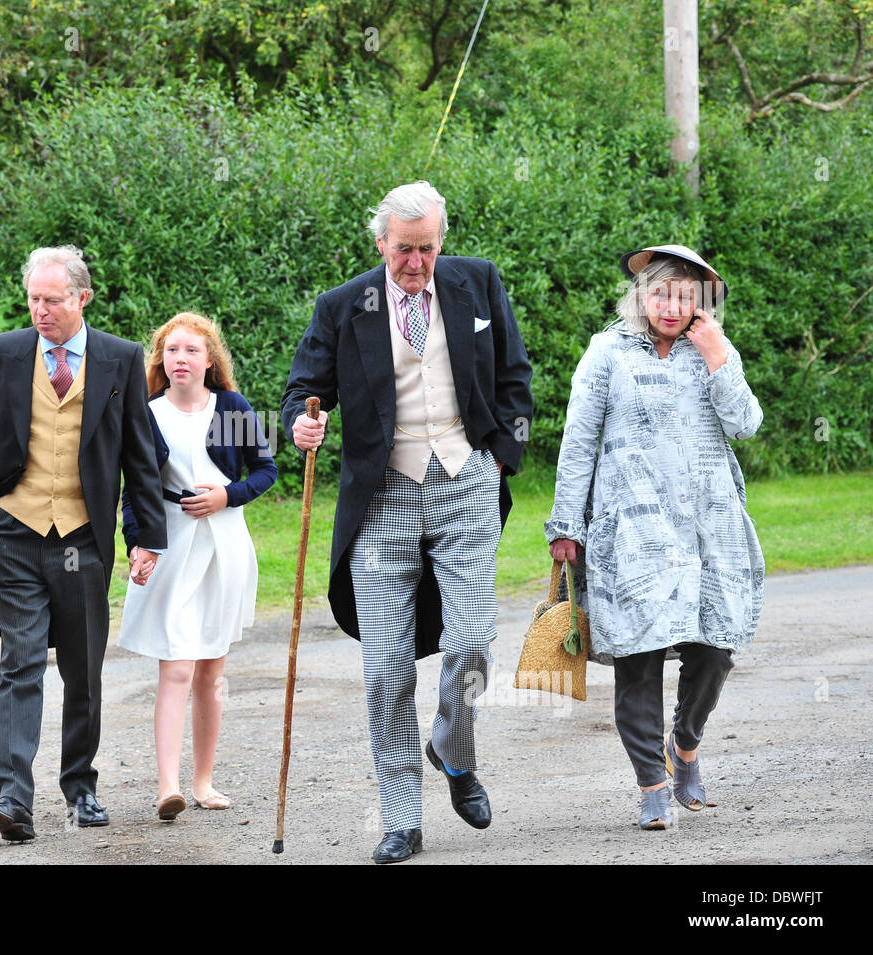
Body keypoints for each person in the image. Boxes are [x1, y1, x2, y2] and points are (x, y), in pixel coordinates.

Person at [281, 181, 534, 864]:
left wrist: (503, 458)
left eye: (426, 249)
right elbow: (300, 390)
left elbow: (514, 374)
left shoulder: (478, 283)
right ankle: (400, 819)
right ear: (380, 242)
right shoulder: (342, 307)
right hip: (381, 498)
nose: (416, 263)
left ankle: (454, 748)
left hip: (466, 482)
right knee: (386, 671)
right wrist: (304, 424)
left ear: (440, 241)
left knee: (473, 642)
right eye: (403, 251)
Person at [545, 244, 764, 830]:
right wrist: (566, 524)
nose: (671, 305)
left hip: (706, 531)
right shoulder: (607, 351)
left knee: (715, 650)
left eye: (685, 296)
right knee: (638, 659)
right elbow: (578, 441)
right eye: (662, 293)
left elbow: (745, 425)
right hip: (631, 531)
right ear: (642, 296)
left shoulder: (711, 351)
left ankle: (685, 746)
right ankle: (652, 785)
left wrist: (718, 356)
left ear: (701, 303)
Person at [0, 245, 167, 842]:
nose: (40, 311)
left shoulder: (121, 358)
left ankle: (80, 785)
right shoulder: (1, 354)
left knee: (82, 670)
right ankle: (13, 798)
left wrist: (145, 536)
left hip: (83, 536)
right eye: (33, 299)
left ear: (83, 297)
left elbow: (139, 455)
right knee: (21, 660)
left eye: (52, 300)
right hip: (13, 534)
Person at [117, 312, 277, 821]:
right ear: (161, 361)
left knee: (210, 671)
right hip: (169, 544)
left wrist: (228, 495)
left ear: (210, 360)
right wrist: (136, 545)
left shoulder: (231, 408)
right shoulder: (146, 412)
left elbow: (266, 470)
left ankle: (204, 781)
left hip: (224, 548)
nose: (180, 359)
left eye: (191, 350)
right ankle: (169, 786)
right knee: (177, 666)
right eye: (171, 350)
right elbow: (134, 488)